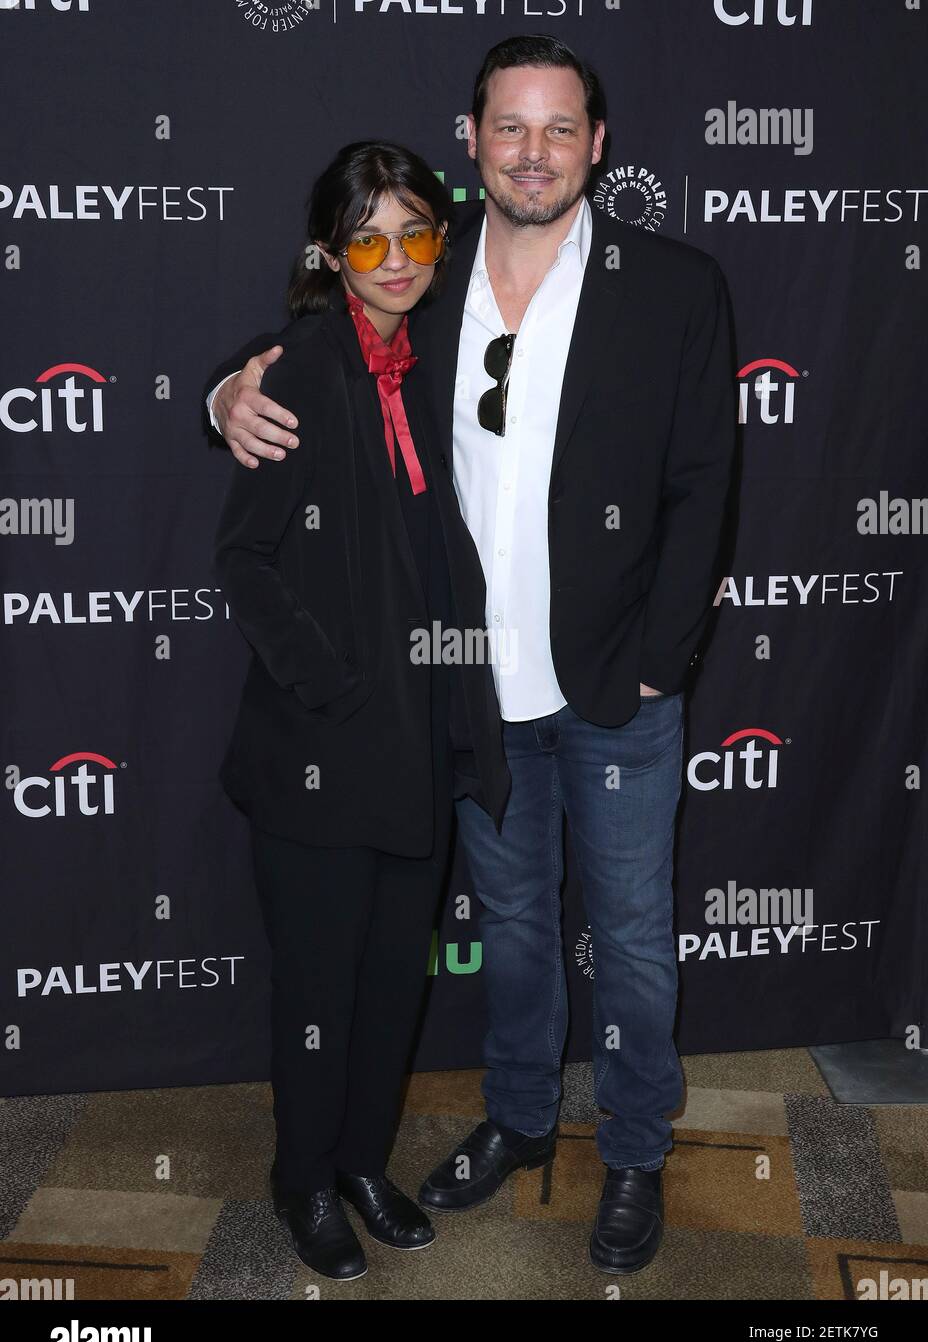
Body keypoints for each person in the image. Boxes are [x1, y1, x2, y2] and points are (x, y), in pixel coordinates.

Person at [206, 35, 737, 1275]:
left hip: (613, 689)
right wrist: (220, 393)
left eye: (558, 128)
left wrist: (658, 660)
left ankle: (636, 1150)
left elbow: (704, 482)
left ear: (597, 144)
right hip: (469, 697)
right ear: (472, 140)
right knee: (512, 926)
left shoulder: (673, 286)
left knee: (633, 937)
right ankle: (519, 1117)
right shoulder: (423, 281)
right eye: (510, 127)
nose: (533, 152)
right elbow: (294, 350)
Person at [210, 141, 510, 1282]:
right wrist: (329, 684)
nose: (395, 260)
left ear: (440, 240)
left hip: (420, 744)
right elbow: (243, 558)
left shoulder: (432, 357)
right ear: (331, 253)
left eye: (415, 234)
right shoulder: (295, 369)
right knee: (319, 988)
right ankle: (303, 1179)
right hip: (319, 751)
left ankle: (362, 1163)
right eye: (368, 239)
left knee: (392, 981)